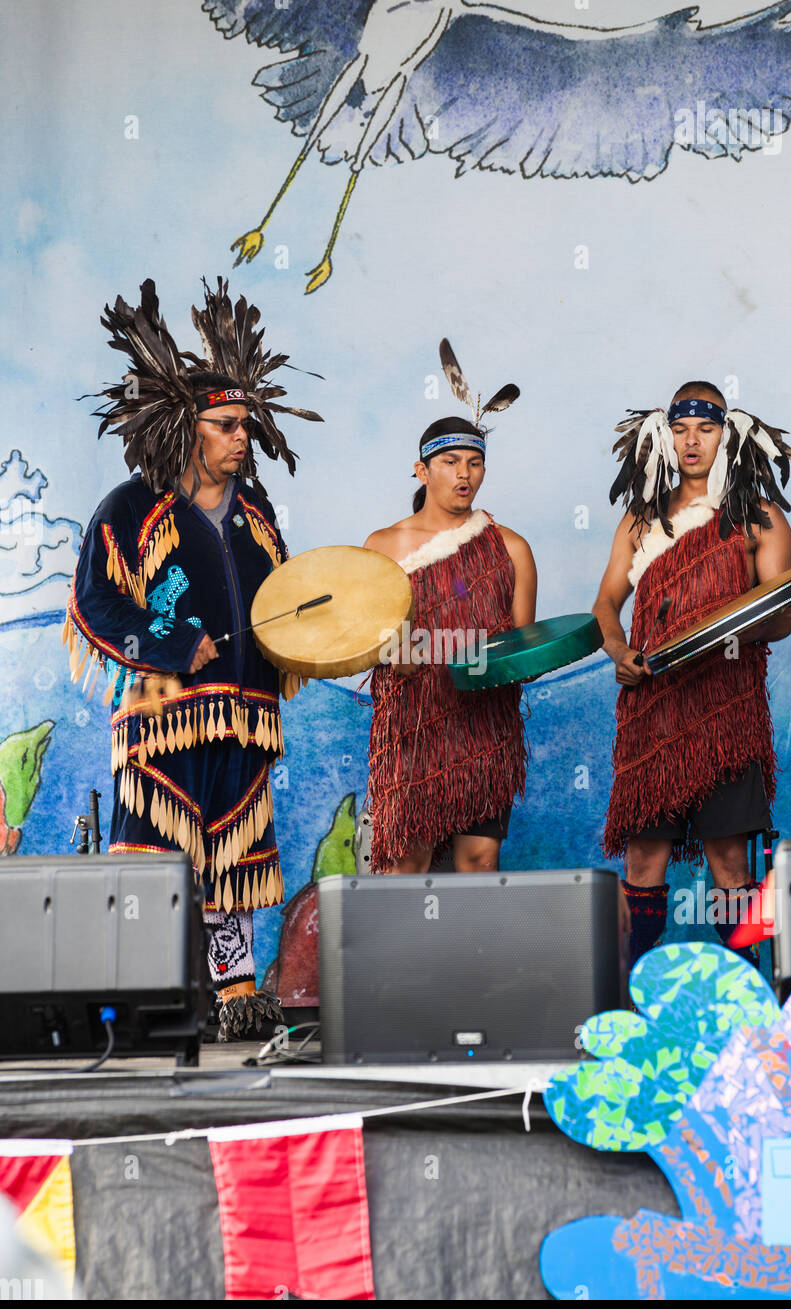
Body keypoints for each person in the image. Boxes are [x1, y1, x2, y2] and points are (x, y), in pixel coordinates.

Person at [63, 278, 322, 1039]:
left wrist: (314, 640)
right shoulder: (130, 507)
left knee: (233, 857)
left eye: (249, 425)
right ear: (189, 428)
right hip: (161, 722)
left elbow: (285, 603)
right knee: (153, 857)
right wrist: (172, 645)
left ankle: (234, 997)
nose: (245, 438)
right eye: (229, 425)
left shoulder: (257, 515)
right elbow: (93, 605)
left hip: (245, 717)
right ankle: (145, 1002)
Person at [592, 381, 791, 970]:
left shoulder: (759, 518)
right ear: (663, 435)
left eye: (705, 428)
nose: (691, 441)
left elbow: (778, 616)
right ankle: (628, 1001)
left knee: (730, 864)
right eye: (680, 429)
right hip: (651, 712)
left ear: (726, 435)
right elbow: (606, 601)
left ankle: (750, 1000)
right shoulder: (642, 519)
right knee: (643, 863)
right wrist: (617, 648)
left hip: (726, 713)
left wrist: (734, 628)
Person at [364, 412, 536, 873]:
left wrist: (512, 662)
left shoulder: (511, 548)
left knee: (479, 862)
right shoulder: (382, 546)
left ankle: (474, 948)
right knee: (407, 864)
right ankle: (410, 949)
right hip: (411, 728)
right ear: (421, 471)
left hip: (484, 728)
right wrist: (396, 655)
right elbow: (369, 640)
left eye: (475, 462)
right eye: (450, 460)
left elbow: (524, 651)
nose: (464, 473)